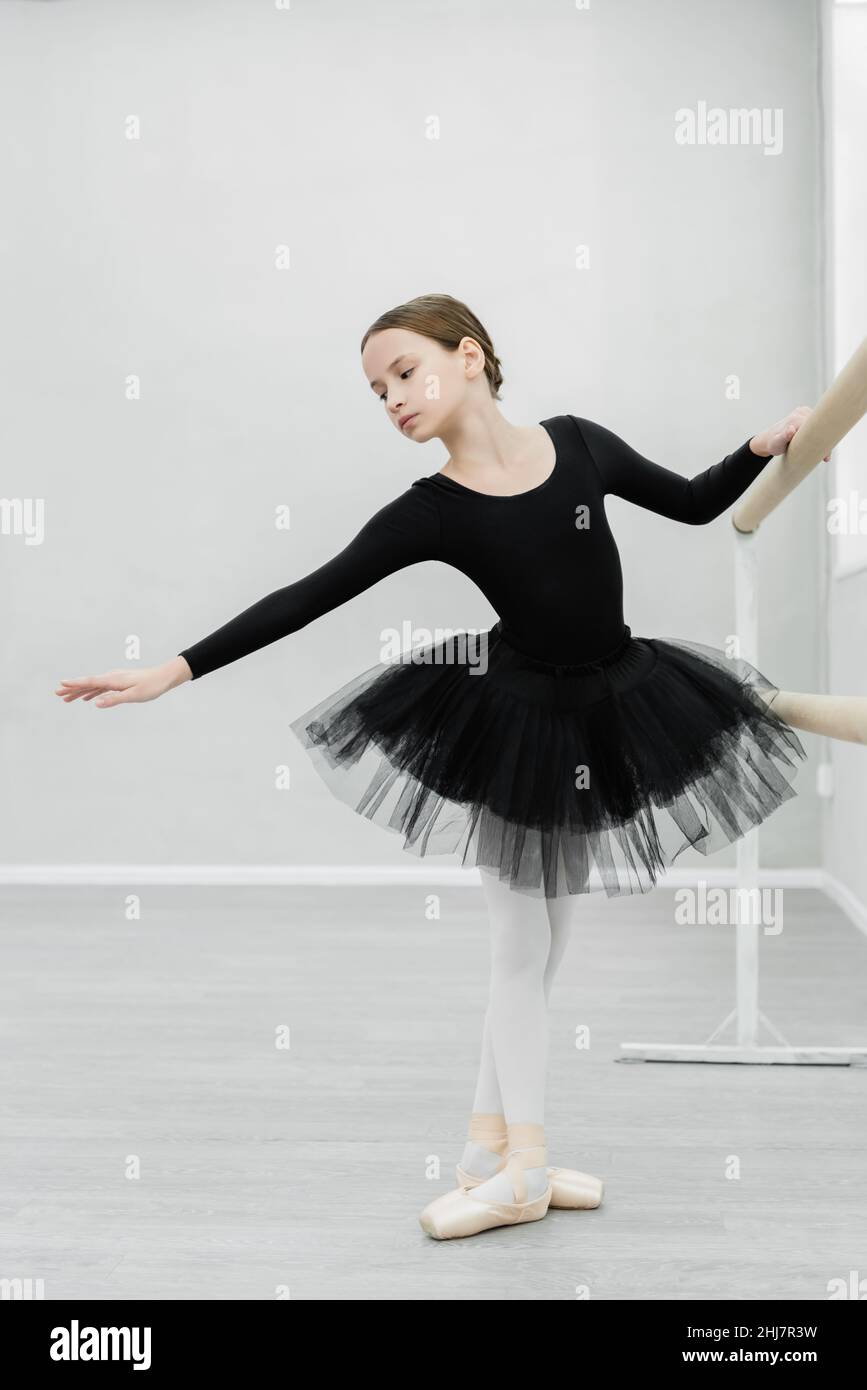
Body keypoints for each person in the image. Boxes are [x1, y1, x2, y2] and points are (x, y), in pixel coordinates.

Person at [57, 292, 824, 1241]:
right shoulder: (433, 511)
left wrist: (764, 447)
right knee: (517, 952)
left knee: (551, 952)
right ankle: (525, 1170)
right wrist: (171, 669)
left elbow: (696, 502)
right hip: (514, 721)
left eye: (404, 374)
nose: (391, 400)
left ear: (470, 357)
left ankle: (487, 1152)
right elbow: (308, 594)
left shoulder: (578, 442)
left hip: (606, 704)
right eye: (376, 392)